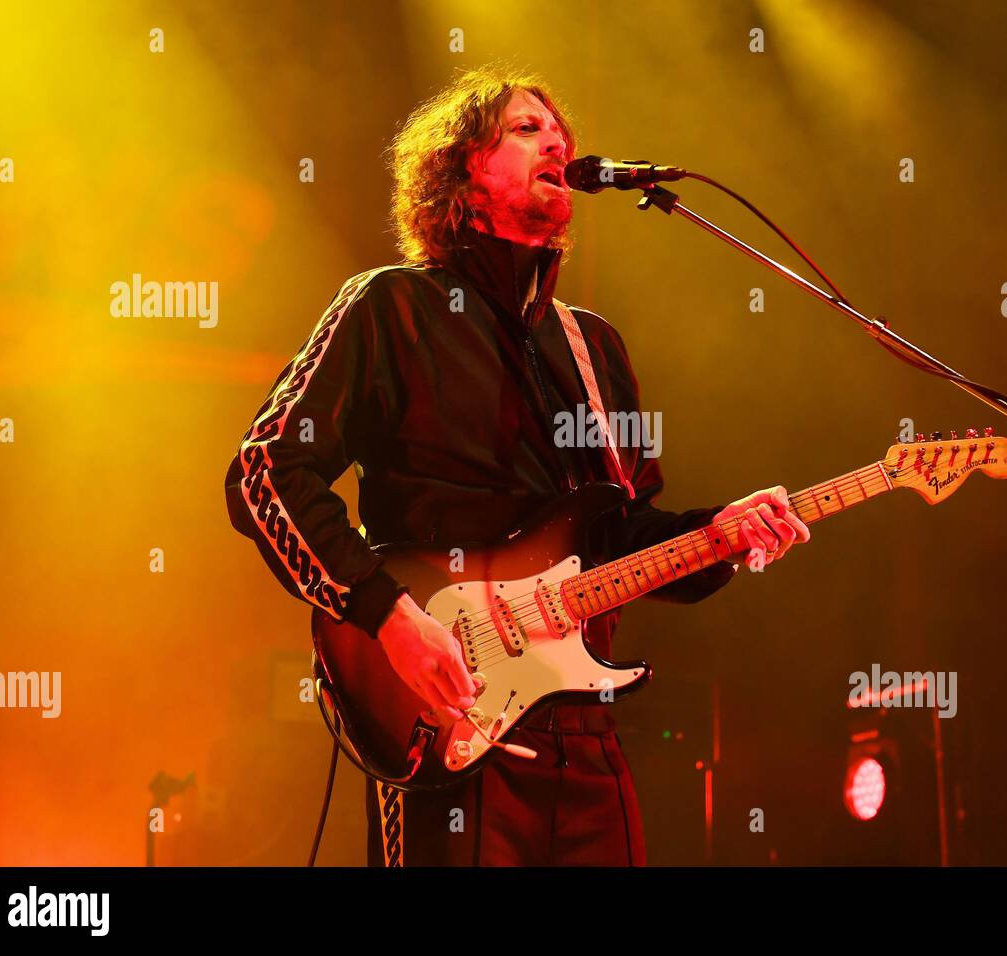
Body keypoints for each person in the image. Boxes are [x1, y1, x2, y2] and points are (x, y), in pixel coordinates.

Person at [224, 66, 809, 866]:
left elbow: (624, 530)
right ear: (464, 171)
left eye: (560, 132)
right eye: (526, 129)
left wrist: (720, 534)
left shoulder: (592, 345)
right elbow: (264, 472)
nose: (558, 142)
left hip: (584, 733)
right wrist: (387, 617)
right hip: (444, 717)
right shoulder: (392, 307)